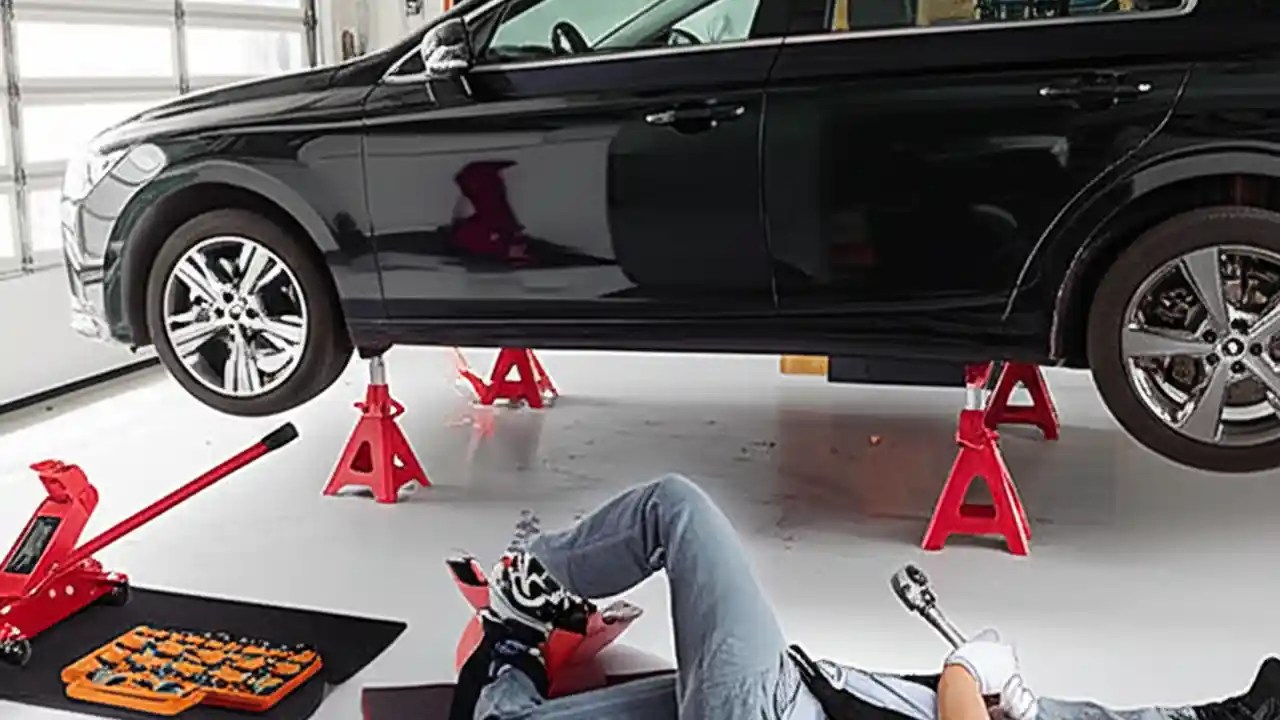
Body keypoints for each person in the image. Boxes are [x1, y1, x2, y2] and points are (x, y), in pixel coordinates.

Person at [449, 474, 1279, 720]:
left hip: (776, 712)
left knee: (676, 507)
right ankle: (509, 669)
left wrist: (965, 675)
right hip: (806, 700)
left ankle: (539, 578)